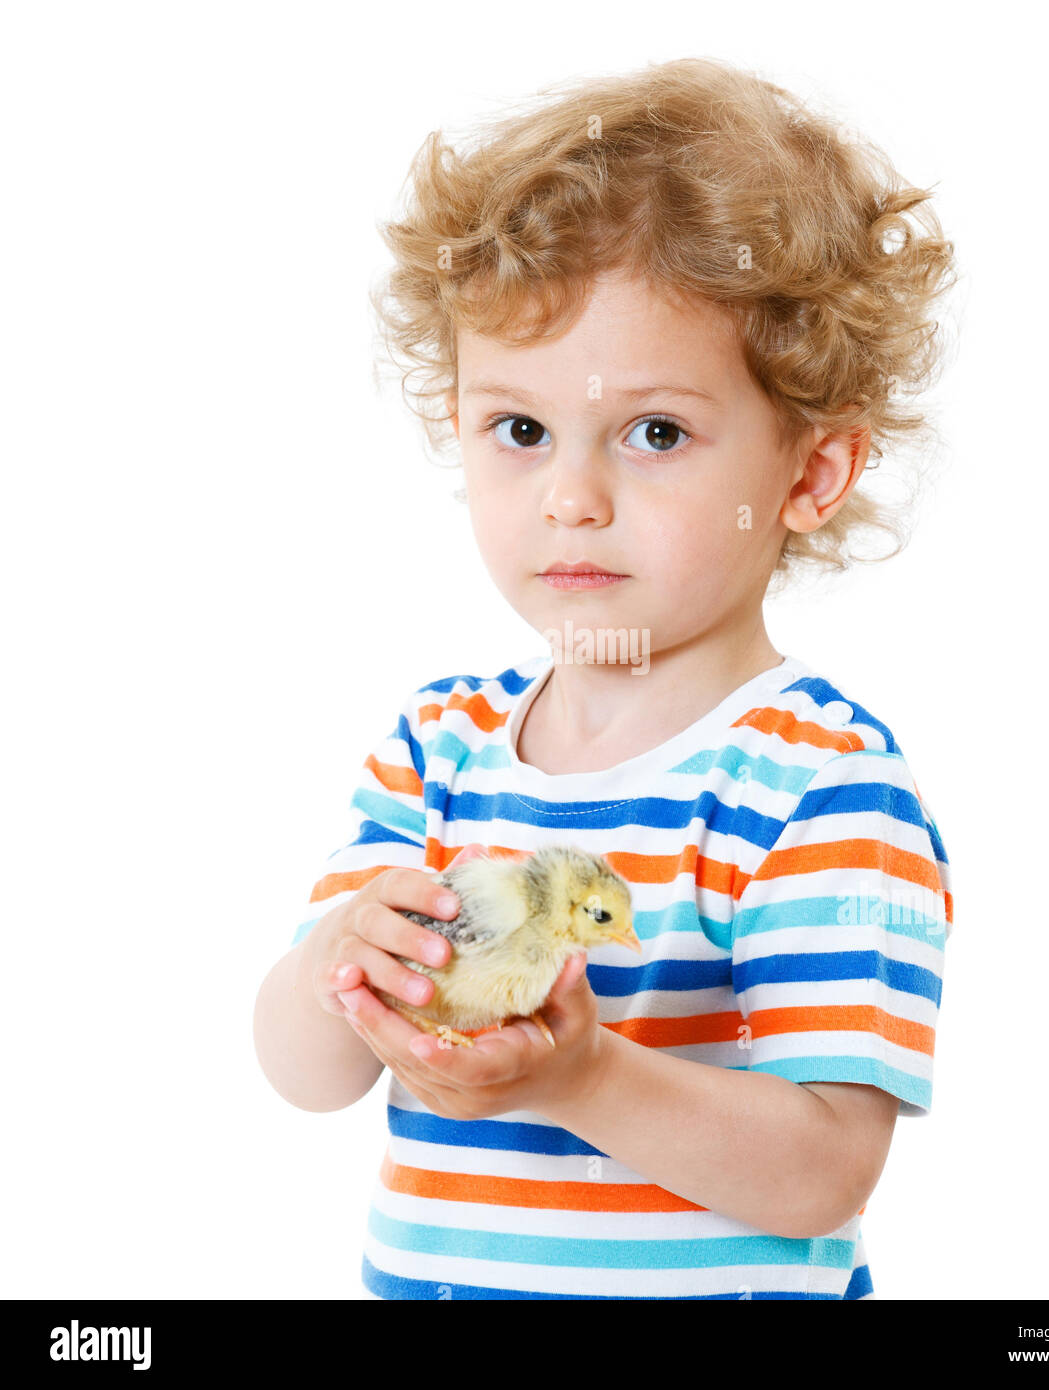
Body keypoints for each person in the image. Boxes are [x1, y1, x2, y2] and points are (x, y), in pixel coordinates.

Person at [253, 55, 956, 1300]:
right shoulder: (439, 745)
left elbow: (822, 1172)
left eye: (655, 433)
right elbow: (305, 1073)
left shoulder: (819, 787)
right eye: (519, 431)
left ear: (809, 474)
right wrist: (335, 972)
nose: (571, 499)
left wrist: (581, 1077)